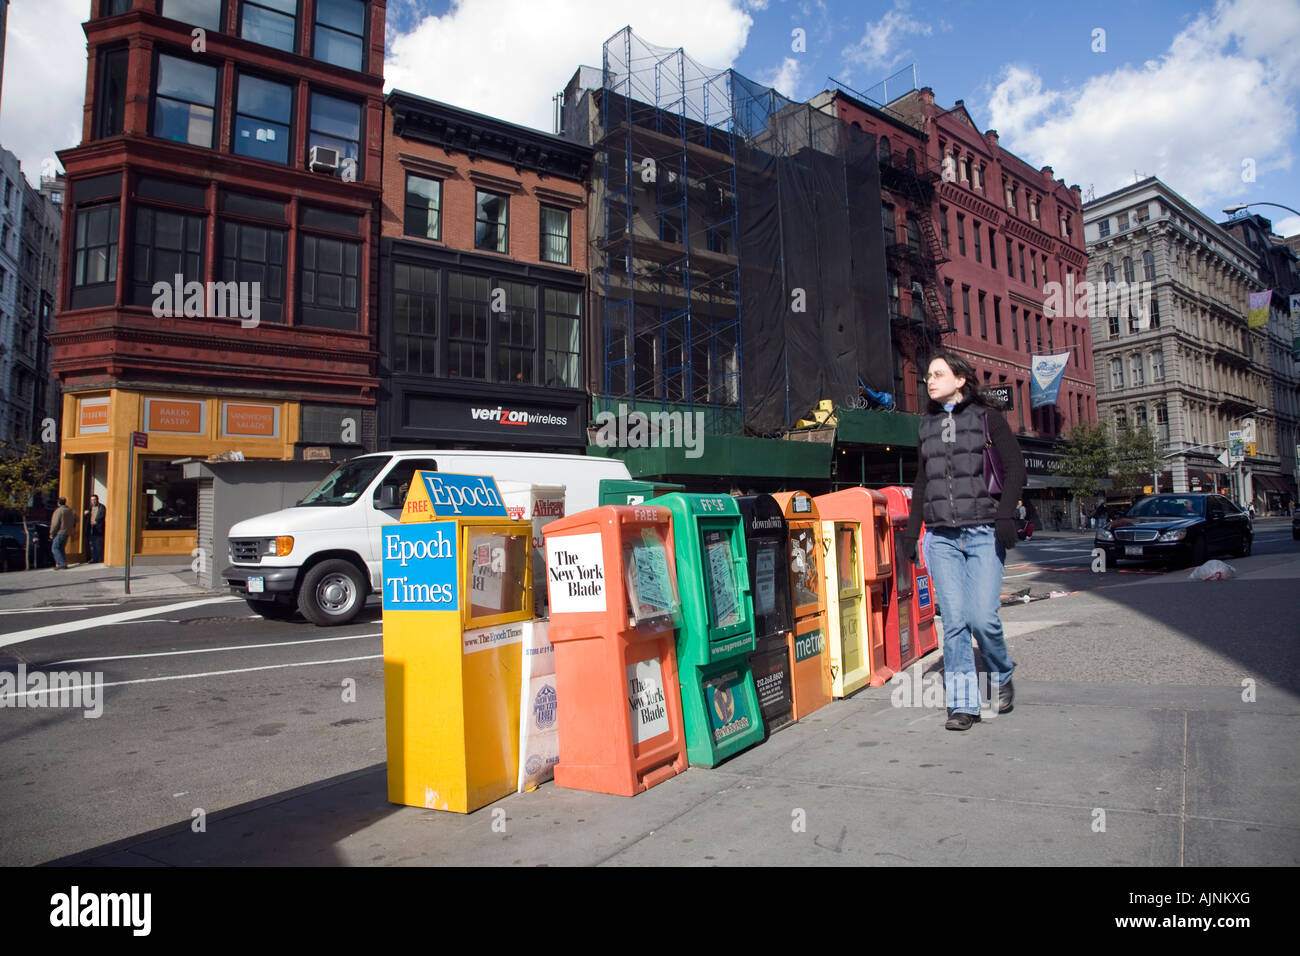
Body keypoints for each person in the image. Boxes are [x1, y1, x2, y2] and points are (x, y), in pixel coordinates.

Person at [899, 352, 1026, 731]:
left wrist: (1005, 515)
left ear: (960, 379)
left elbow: (1016, 467)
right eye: (927, 376)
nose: (929, 380)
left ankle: (1001, 675)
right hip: (941, 537)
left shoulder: (988, 419)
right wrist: (912, 532)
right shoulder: (927, 425)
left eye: (938, 374)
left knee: (982, 619)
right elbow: (923, 482)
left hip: (984, 532)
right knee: (954, 622)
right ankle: (963, 704)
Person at [49, 497, 76, 570]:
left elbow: (55, 524)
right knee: (61, 548)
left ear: (58, 503)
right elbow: (76, 520)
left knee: (55, 548)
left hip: (60, 532)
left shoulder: (59, 511)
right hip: (67, 532)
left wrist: (51, 533)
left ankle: (62, 563)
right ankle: (62, 563)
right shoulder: (71, 510)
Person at [84, 494, 106, 564]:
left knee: (98, 543)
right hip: (91, 527)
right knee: (92, 544)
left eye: (94, 500)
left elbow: (101, 516)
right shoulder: (90, 508)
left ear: (97, 500)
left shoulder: (101, 507)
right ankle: (94, 558)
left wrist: (96, 521)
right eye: (92, 500)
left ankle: (99, 558)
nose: (93, 501)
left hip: (98, 528)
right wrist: (86, 513)